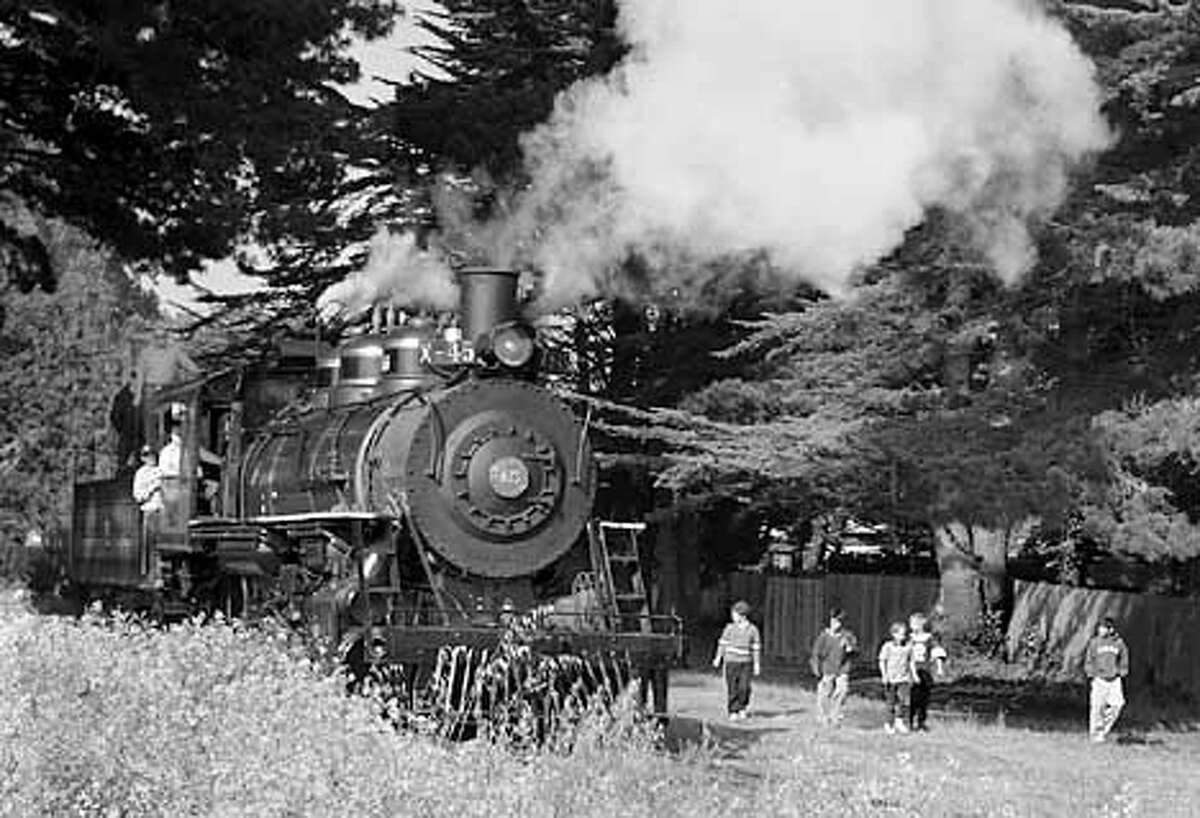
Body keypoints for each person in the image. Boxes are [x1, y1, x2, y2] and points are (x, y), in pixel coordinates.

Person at [712, 600, 762, 720]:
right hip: (731, 662)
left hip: (746, 663)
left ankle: (742, 707)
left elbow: (756, 648)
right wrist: (718, 657)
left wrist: (756, 664)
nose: (732, 617)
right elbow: (722, 643)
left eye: (734, 614)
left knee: (744, 687)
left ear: (742, 616)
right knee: (732, 687)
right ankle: (733, 710)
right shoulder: (729, 628)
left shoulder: (753, 630)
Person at [1084, 617, 1129, 743]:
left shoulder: (1119, 643)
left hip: (1114, 680)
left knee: (1118, 705)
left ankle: (1103, 730)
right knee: (1097, 708)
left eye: (1103, 628)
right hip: (1099, 679)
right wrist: (1090, 673)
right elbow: (1089, 659)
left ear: (1110, 629)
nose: (1100, 630)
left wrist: (1122, 670)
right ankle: (1095, 735)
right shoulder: (1094, 643)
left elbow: (1124, 657)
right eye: (1099, 627)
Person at [811, 608, 858, 726]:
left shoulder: (847, 636)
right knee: (824, 693)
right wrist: (816, 668)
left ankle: (836, 716)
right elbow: (816, 653)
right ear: (830, 621)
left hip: (842, 669)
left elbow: (856, 651)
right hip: (827, 669)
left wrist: (850, 649)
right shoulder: (824, 637)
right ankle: (823, 717)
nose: (837, 624)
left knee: (842, 691)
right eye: (835, 621)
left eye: (840, 622)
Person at [908, 611, 948, 731]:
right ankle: (909, 721)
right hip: (911, 671)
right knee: (912, 698)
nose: (911, 625)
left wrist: (939, 668)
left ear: (921, 624)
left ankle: (921, 721)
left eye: (914, 623)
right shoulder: (908, 638)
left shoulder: (929, 638)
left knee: (924, 698)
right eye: (911, 623)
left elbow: (937, 653)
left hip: (925, 671)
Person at [878, 621, 916, 734]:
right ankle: (889, 724)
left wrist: (914, 675)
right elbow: (882, 661)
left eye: (904, 634)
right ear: (894, 634)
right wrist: (884, 675)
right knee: (891, 702)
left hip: (903, 679)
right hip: (891, 679)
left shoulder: (908, 647)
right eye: (900, 634)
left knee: (903, 701)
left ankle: (899, 721)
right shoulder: (888, 646)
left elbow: (911, 662)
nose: (903, 636)